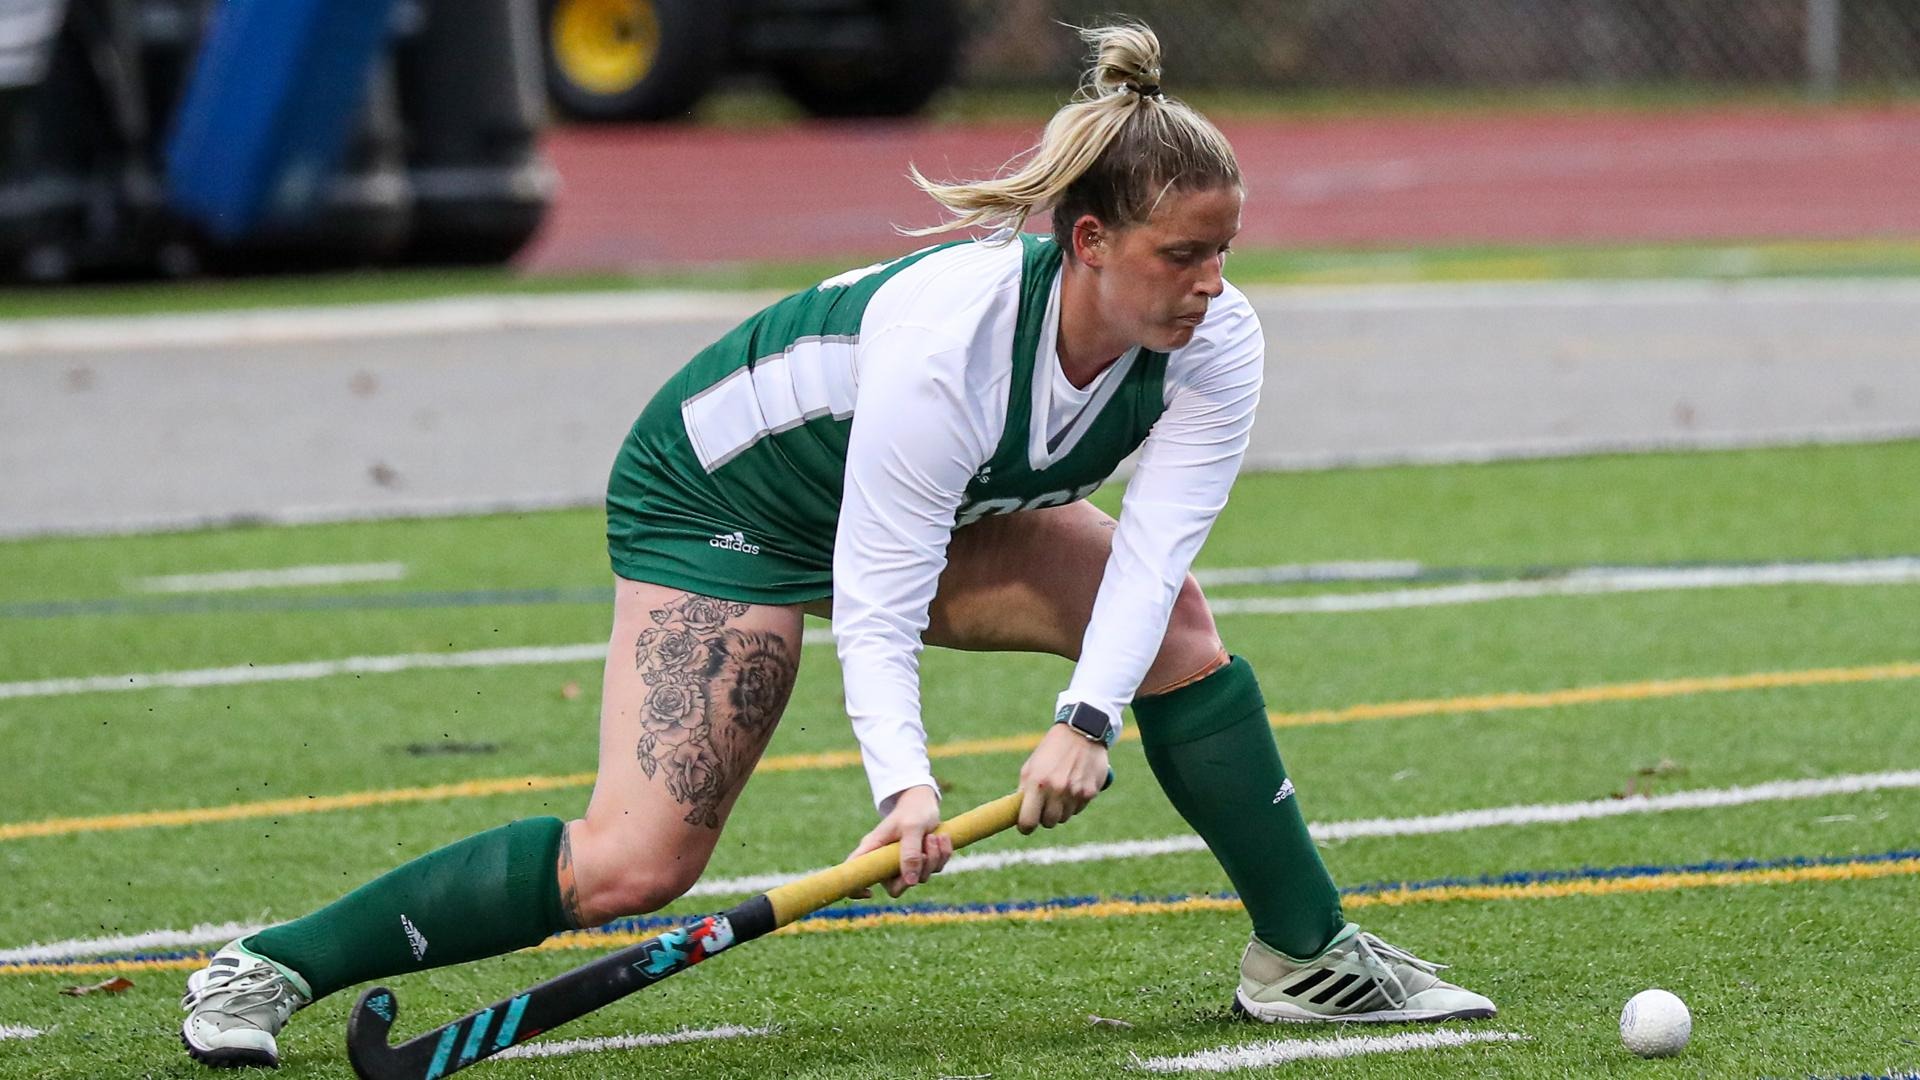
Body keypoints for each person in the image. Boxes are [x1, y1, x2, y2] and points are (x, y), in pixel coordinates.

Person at [180, 21, 1493, 1069]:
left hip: (955, 504)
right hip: (727, 501)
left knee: (1178, 634)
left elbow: (1153, 555)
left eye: (1226, 252)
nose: (1213, 283)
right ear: (1090, 244)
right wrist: (904, 791)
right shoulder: (952, 349)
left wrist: (1083, 719)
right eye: (1184, 255)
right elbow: (876, 590)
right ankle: (272, 963)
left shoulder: (1218, 338)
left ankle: (1305, 958)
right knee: (638, 862)